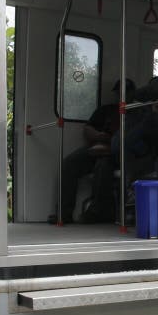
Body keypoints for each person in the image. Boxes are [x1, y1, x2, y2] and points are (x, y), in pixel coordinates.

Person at [49, 78, 135, 224]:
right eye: (119, 92)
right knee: (70, 163)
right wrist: (97, 135)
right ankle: (64, 213)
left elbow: (131, 139)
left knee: (102, 167)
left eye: (126, 92)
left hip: (116, 152)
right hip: (96, 147)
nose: (122, 95)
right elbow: (88, 127)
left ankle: (97, 212)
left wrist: (111, 142)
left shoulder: (136, 112)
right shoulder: (105, 110)